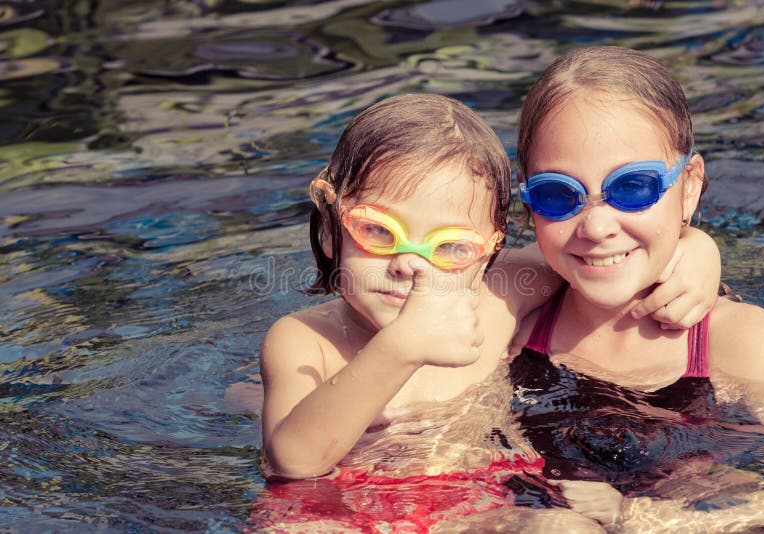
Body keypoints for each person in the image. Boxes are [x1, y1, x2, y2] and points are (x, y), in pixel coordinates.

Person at [254, 93, 721, 531]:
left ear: (488, 254)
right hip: (335, 511)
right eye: (377, 233)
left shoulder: (496, 299)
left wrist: (695, 247)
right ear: (332, 228)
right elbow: (294, 460)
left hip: (478, 510)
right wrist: (399, 349)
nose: (410, 265)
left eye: (451, 246)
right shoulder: (302, 339)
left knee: (567, 527)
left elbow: (582, 261)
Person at [509, 45, 764, 529]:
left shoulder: (742, 342)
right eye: (558, 194)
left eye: (633, 187)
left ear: (689, 187)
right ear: (528, 201)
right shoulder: (509, 323)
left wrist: (639, 517)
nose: (597, 226)